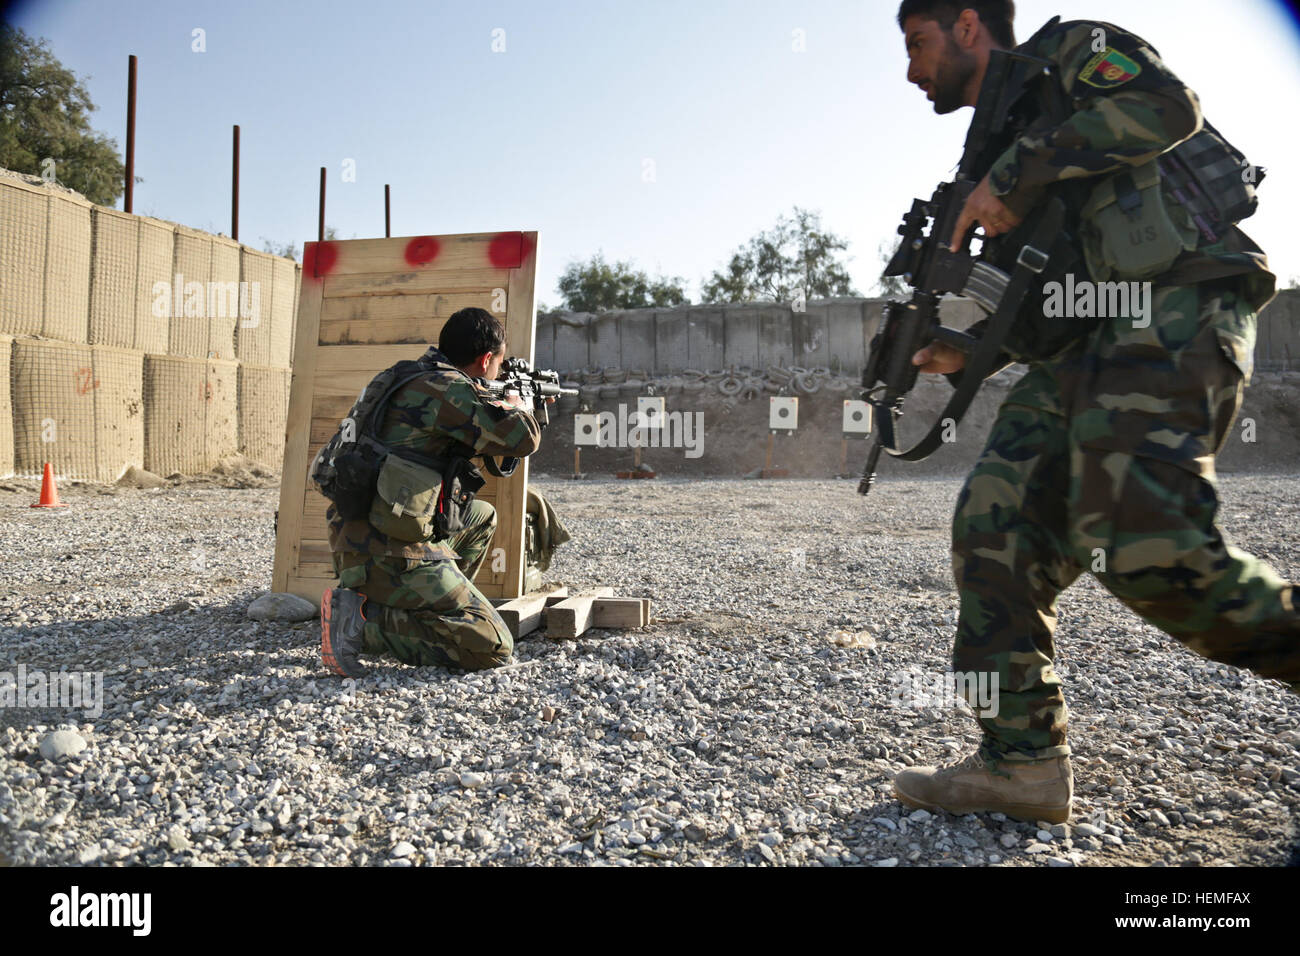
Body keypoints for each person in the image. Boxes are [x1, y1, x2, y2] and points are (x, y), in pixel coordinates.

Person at [889, 0, 1296, 824]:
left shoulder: (1071, 52)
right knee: (993, 525)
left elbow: (1169, 107)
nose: (910, 69)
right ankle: (1021, 761)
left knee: (1147, 545)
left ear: (970, 25)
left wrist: (1008, 177)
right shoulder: (999, 138)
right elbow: (1040, 301)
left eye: (918, 43)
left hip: (1176, 299)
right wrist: (974, 352)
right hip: (1081, 345)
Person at [320, 307, 542, 677]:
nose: (496, 373)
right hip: (391, 548)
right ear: (486, 359)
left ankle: (431, 607)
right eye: (497, 366)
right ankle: (367, 621)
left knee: (481, 516)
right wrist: (523, 405)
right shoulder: (448, 390)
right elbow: (523, 437)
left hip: (354, 533)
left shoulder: (400, 376)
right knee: (494, 648)